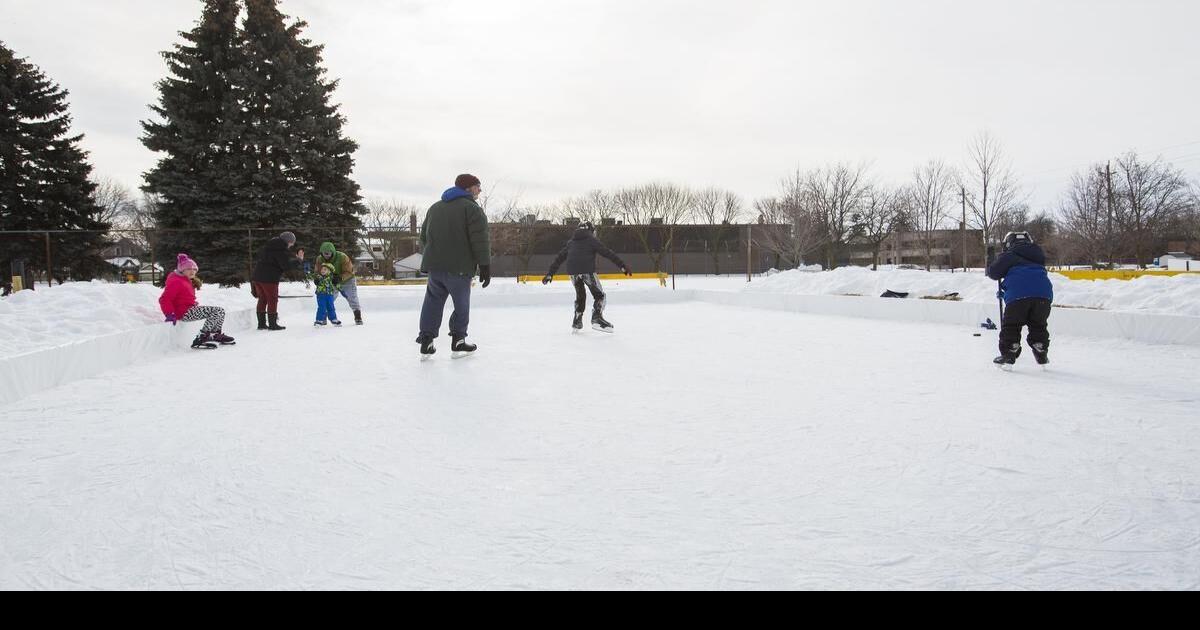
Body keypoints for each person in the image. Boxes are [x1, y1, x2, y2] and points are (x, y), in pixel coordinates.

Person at [415, 174, 491, 357]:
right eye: (477, 186)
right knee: (461, 304)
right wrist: (485, 265)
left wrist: (435, 254)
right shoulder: (472, 209)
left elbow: (423, 237)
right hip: (460, 267)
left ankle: (426, 341)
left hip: (435, 267)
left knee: (432, 302)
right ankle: (458, 341)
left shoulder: (435, 208)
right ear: (468, 188)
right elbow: (479, 240)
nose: (480, 190)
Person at [542, 221, 632, 332]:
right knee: (600, 296)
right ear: (590, 230)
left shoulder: (571, 242)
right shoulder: (591, 240)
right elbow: (607, 252)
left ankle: (577, 321)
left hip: (573, 272)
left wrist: (550, 274)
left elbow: (559, 258)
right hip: (587, 271)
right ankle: (597, 318)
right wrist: (622, 265)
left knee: (580, 296)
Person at [986, 231, 1054, 368]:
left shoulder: (1009, 255)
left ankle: (1010, 350)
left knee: (1012, 325)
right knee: (1038, 324)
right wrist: (1006, 292)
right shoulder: (1038, 255)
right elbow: (1029, 277)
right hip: (1044, 295)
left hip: (1018, 297)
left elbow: (993, 273)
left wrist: (992, 261)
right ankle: (1040, 348)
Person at [159, 253, 235, 349]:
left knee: (220, 311)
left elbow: (184, 298)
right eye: (189, 269)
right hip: (183, 312)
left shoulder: (185, 280)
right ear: (182, 270)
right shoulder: (176, 281)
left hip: (189, 309)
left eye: (194, 269)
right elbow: (164, 299)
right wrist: (170, 314)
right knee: (217, 311)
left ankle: (215, 335)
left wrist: (193, 304)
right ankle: (202, 338)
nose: (192, 271)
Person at [251, 231, 305, 331]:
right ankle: (272, 324)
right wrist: (299, 260)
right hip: (269, 279)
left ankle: (261, 324)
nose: (291, 245)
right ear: (288, 241)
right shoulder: (280, 250)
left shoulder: (269, 247)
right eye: (291, 243)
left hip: (257, 277)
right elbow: (286, 266)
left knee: (262, 299)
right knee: (272, 299)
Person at [315, 241, 364, 325]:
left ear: (333, 252)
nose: (326, 256)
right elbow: (317, 271)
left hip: (347, 280)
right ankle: (323, 317)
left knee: (351, 297)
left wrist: (340, 278)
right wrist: (317, 279)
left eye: (328, 253)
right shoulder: (319, 259)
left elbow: (349, 271)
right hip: (330, 281)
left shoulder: (342, 257)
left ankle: (357, 316)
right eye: (324, 253)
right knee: (329, 298)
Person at [312, 262, 342, 327]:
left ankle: (333, 319)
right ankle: (319, 320)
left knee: (331, 307)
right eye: (322, 269)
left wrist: (338, 284)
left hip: (330, 295)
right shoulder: (319, 277)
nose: (322, 270)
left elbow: (337, 284)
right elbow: (316, 281)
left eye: (325, 269)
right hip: (321, 295)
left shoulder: (332, 278)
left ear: (329, 271)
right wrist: (316, 280)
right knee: (322, 307)